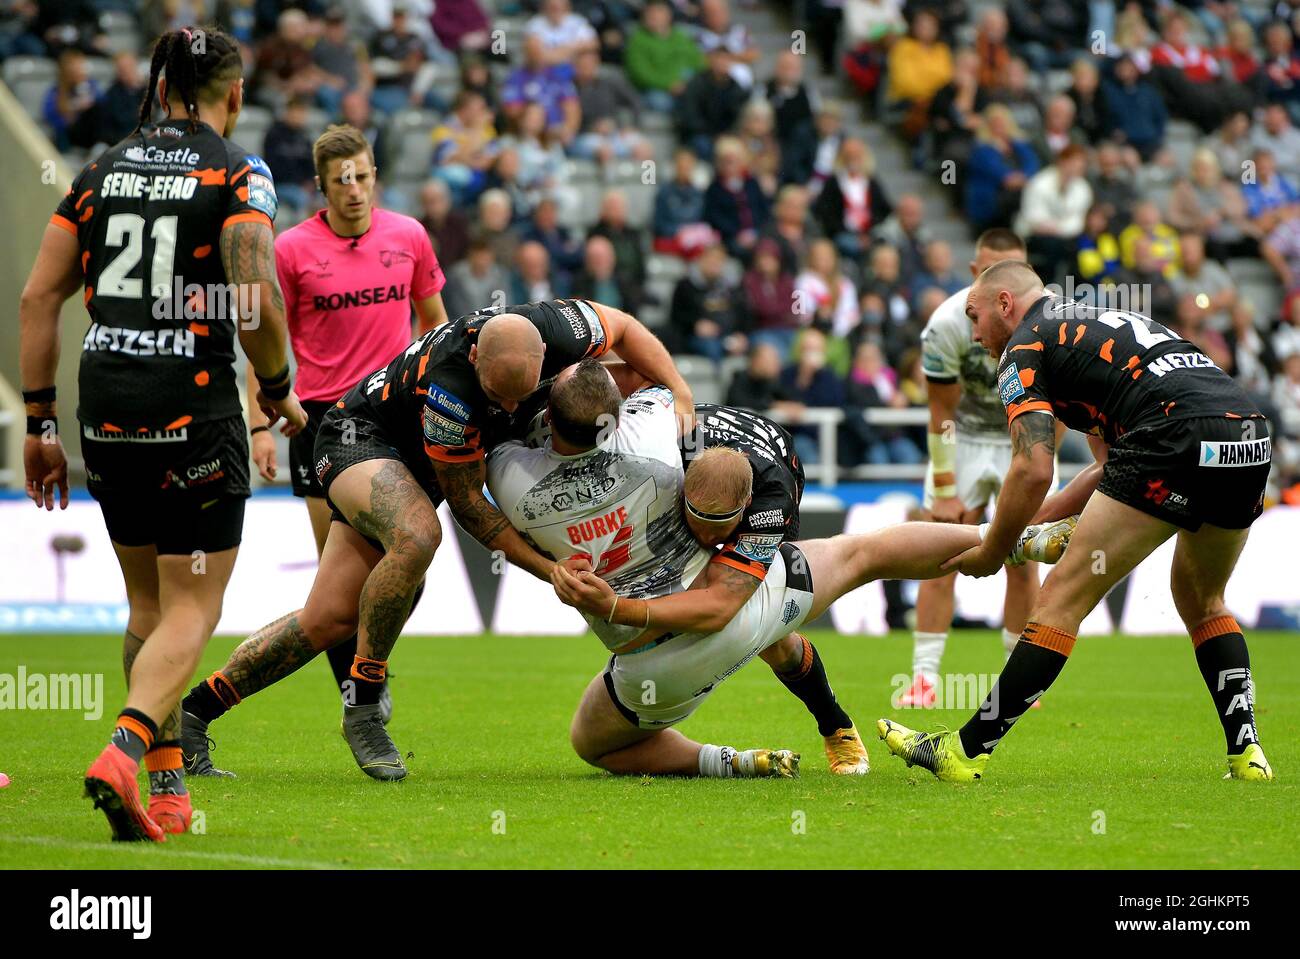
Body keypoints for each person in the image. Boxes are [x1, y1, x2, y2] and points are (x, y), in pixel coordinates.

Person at [180, 301, 693, 781]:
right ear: (474, 358)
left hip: (414, 468)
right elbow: (471, 509)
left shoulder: (559, 326)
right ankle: (363, 701)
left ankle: (194, 714)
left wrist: (678, 389)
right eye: (499, 396)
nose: (512, 406)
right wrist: (549, 570)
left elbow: (624, 328)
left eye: (523, 392)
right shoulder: (451, 389)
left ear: (547, 354)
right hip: (357, 439)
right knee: (419, 535)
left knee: (328, 619)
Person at [20, 26, 307, 841]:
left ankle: (168, 785)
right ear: (235, 91)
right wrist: (279, 391)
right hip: (193, 409)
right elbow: (252, 298)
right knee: (193, 606)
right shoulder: (237, 172)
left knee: (147, 601)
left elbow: (39, 300)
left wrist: (39, 423)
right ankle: (123, 747)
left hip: (103, 407)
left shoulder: (98, 170)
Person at [508, 362, 1071, 776]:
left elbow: (721, 604)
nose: (706, 536)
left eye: (719, 527)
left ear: (747, 508)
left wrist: (612, 606)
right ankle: (830, 728)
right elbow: (624, 369)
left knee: (766, 601)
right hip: (729, 581)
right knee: (844, 568)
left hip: (679, 633)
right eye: (695, 520)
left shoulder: (771, 492)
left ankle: (1013, 542)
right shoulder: (667, 445)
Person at [880, 260, 1275, 783]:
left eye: (975, 316)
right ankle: (1247, 756)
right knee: (1202, 600)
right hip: (1246, 436)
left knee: (1060, 598)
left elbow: (1032, 467)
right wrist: (1035, 526)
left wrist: (996, 548)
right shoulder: (1087, 322)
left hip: (1172, 433)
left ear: (1006, 304)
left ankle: (964, 751)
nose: (974, 334)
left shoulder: (1025, 345)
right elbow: (1111, 465)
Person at [200, 124, 448, 774]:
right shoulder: (290, 249)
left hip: (396, 420)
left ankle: (367, 673)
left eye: (363, 176)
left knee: (398, 569)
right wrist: (261, 423)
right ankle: (359, 697)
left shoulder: (409, 237)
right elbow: (262, 334)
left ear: (374, 176)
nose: (355, 189)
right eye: (342, 180)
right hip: (320, 424)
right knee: (341, 588)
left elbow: (435, 324)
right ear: (322, 186)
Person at [901, 228, 1047, 707]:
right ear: (974, 272)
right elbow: (941, 412)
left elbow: (1059, 407)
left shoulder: (1049, 321)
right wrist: (944, 487)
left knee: (1023, 558)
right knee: (940, 555)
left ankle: (1018, 682)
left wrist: (1037, 456)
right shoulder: (946, 324)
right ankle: (923, 681)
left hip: (1019, 438)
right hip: (962, 439)